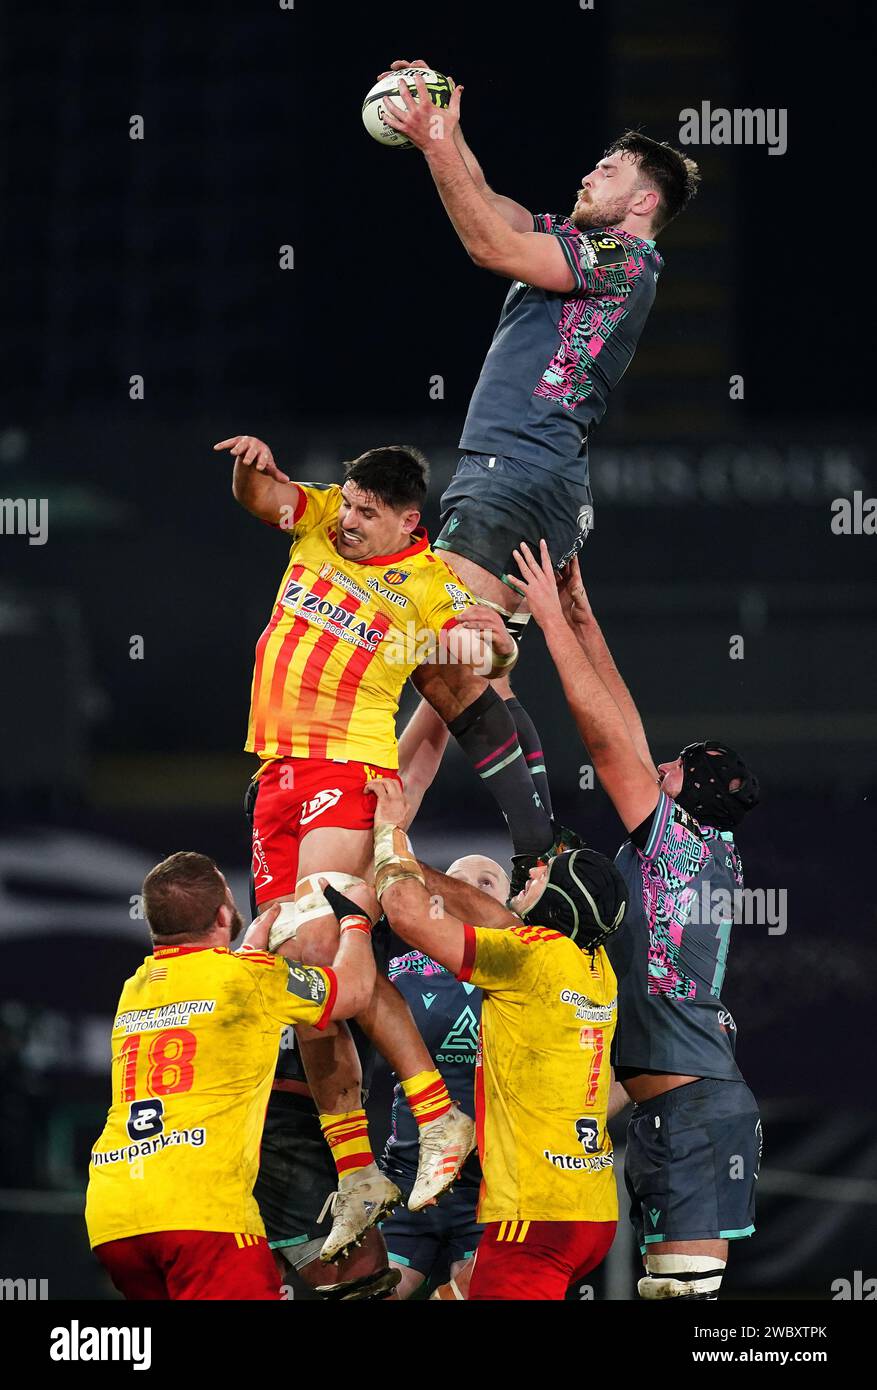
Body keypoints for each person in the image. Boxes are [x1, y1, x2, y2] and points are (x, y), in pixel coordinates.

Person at [375, 58, 701, 893]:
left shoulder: (620, 259)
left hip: (516, 473)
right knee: (464, 674)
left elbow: (487, 245)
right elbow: (494, 208)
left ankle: (535, 844)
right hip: (536, 481)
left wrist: (433, 136)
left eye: (609, 169)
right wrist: (442, 126)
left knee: (431, 646)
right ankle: (390, 834)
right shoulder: (590, 243)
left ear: (640, 203)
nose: (589, 171)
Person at [215, 434, 515, 1261]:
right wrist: (249, 466)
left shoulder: (425, 586)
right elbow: (261, 499)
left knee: (318, 951)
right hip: (275, 777)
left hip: (345, 771)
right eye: (345, 504)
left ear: (407, 521)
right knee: (304, 983)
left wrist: (496, 639)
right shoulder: (318, 519)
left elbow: (483, 653)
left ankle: (436, 1115)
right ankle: (357, 1171)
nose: (347, 521)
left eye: (366, 513)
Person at [512, 541, 762, 1300]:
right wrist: (585, 620)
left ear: (688, 795)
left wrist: (550, 622)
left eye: (679, 765)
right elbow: (626, 734)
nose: (662, 764)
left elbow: (607, 742)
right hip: (672, 1110)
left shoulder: (678, 844)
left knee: (683, 1302)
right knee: (666, 1294)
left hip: (693, 1111)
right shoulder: (695, 844)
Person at [364, 776, 629, 1301]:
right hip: (590, 1203)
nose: (526, 877)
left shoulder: (527, 956)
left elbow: (407, 912)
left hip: (531, 1212)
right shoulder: (595, 966)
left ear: (558, 904)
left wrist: (389, 832)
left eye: (541, 877)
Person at [84, 852, 376, 1301]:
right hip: (204, 1219)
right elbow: (352, 991)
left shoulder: (135, 987)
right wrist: (356, 922)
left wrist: (247, 954)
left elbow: (210, 995)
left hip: (115, 1218)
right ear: (224, 913)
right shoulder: (250, 979)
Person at [379, 853, 507, 1300]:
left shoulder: (526, 975)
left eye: (487, 882)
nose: (470, 891)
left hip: (489, 1193)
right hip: (405, 1183)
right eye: (457, 881)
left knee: (483, 1292)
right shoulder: (396, 973)